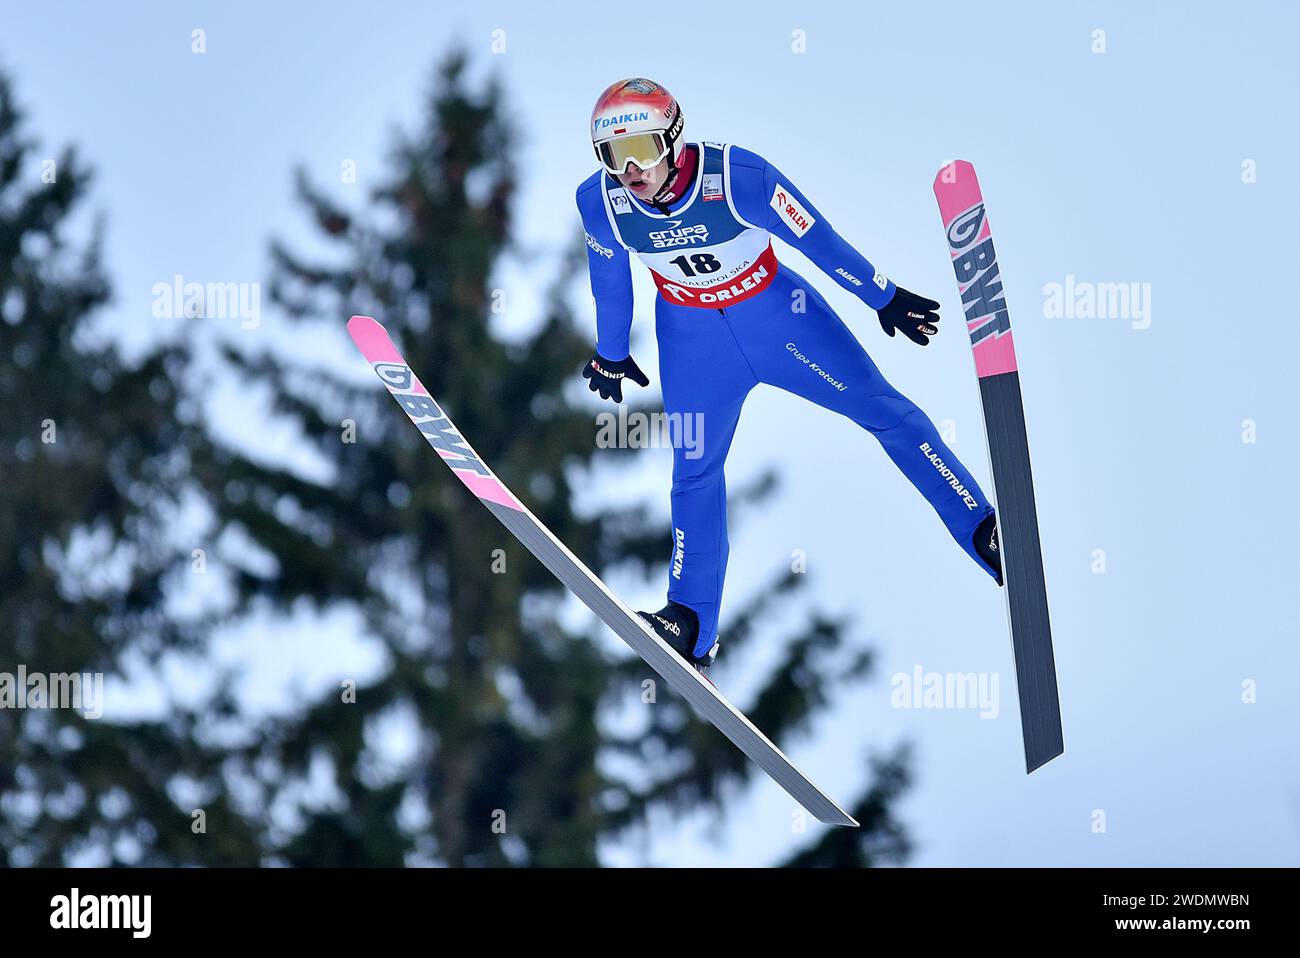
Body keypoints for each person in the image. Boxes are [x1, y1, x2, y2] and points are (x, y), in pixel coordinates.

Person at [576, 77, 1001, 673]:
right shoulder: (602, 202)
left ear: (672, 137)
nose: (630, 171)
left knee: (881, 409)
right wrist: (611, 351)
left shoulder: (738, 178)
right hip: (693, 342)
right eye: (613, 157)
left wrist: (881, 295)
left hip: (779, 320)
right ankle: (689, 621)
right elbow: (609, 278)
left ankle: (981, 528)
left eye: (641, 151)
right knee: (694, 470)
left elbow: (816, 239)